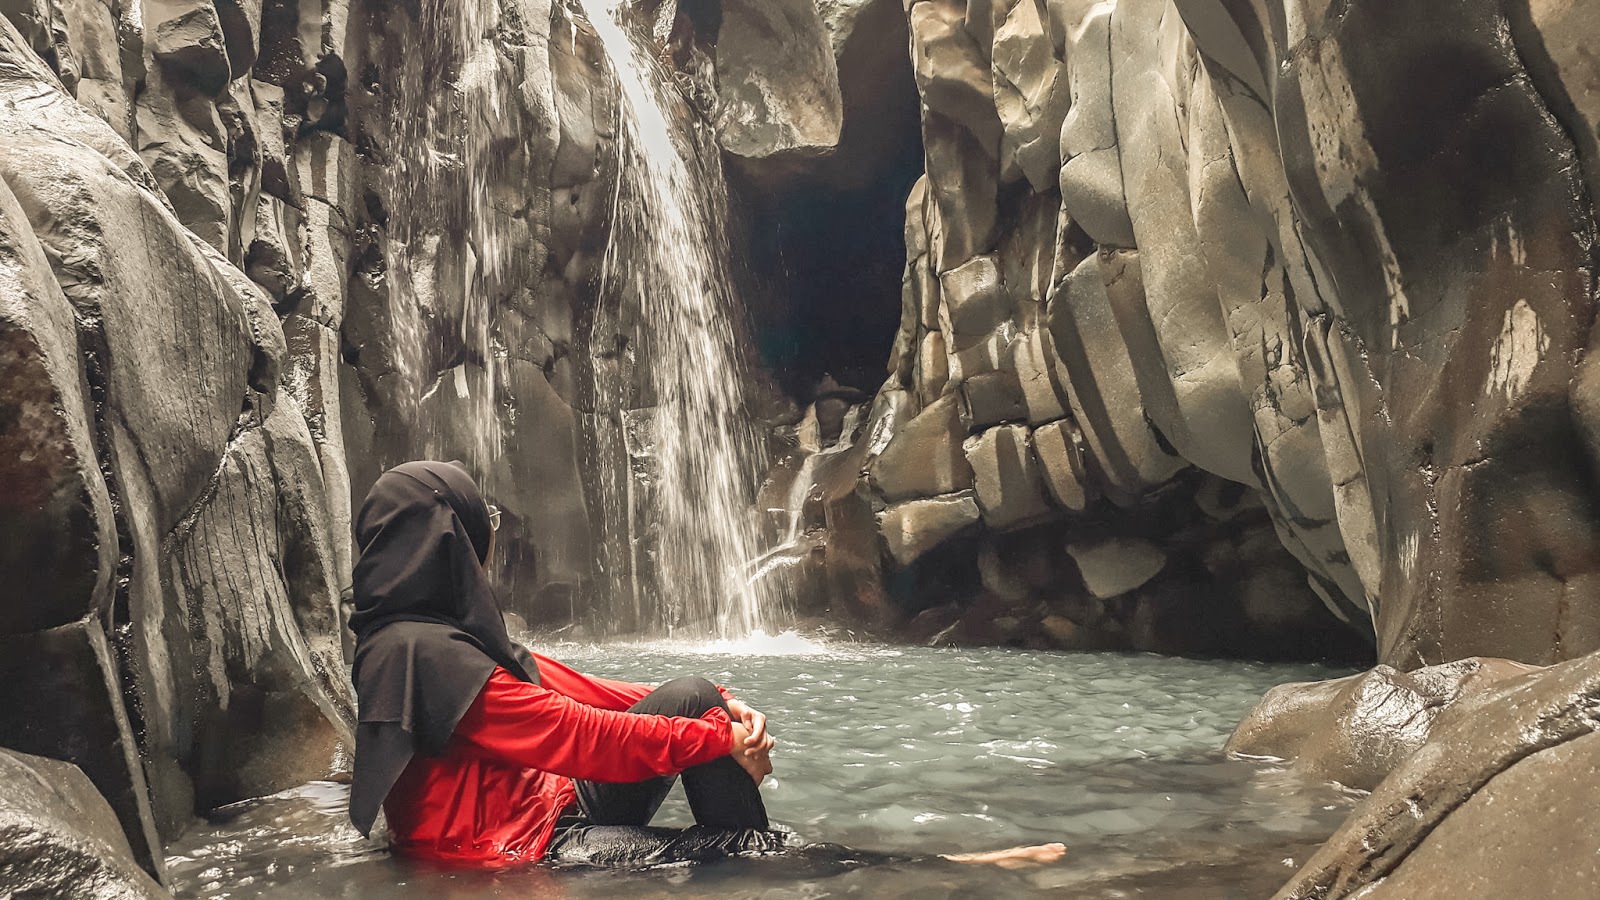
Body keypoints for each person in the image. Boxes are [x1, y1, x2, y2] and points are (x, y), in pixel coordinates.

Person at [347, 460, 1066, 870]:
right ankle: (920, 870)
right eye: (481, 530)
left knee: (691, 694)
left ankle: (775, 857)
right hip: (520, 850)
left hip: (546, 808)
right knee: (724, 846)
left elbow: (581, 689)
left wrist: (725, 703)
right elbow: (575, 733)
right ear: (450, 542)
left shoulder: (437, 638)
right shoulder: (422, 654)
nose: (490, 549)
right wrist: (717, 740)